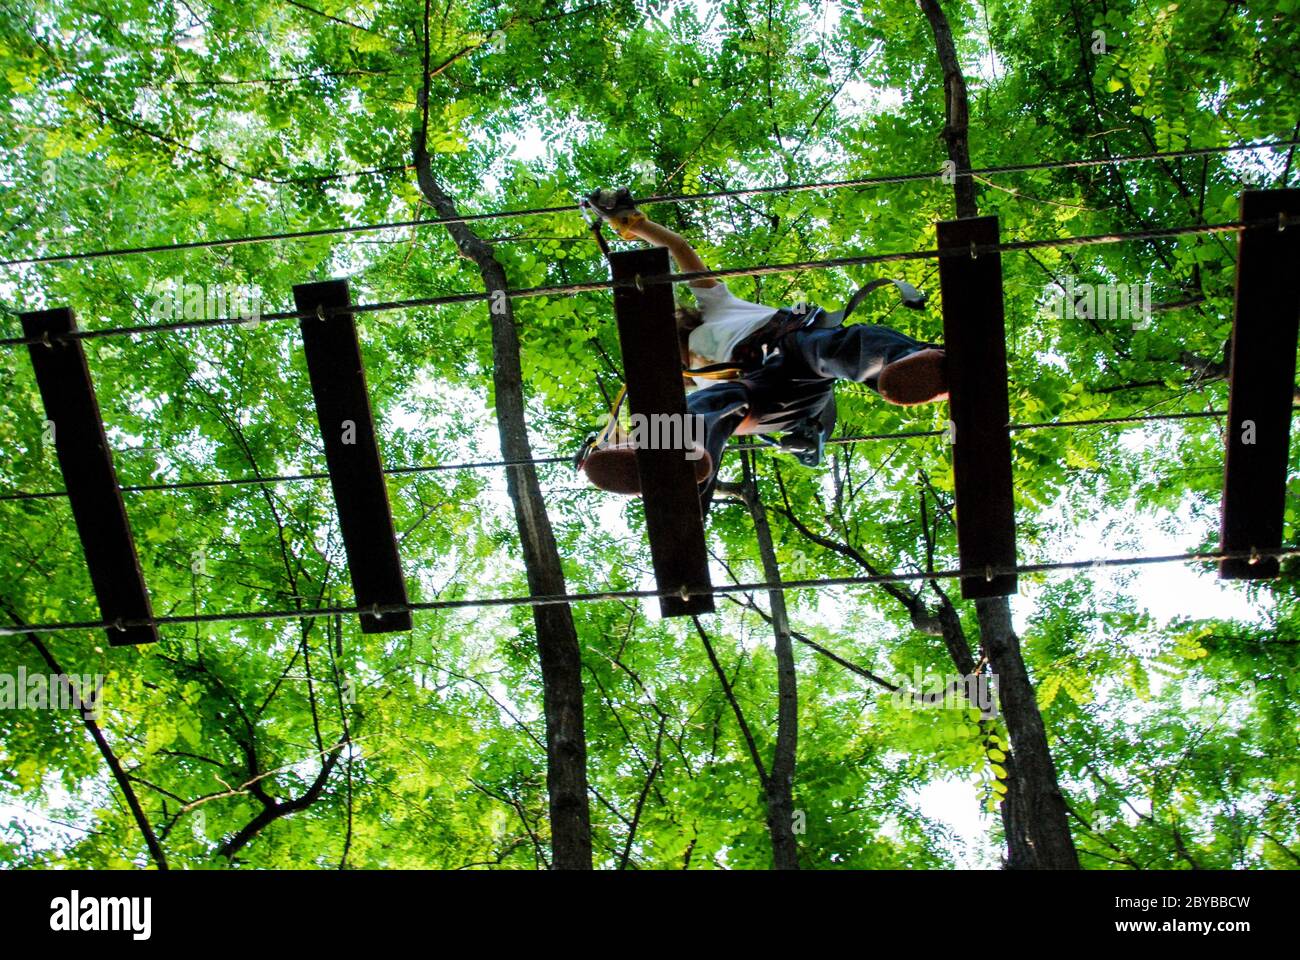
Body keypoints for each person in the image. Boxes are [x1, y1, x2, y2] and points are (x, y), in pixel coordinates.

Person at [581, 188, 949, 516]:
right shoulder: (684, 385)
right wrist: (613, 450)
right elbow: (660, 414)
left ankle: (917, 366)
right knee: (708, 405)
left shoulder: (714, 305)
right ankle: (674, 458)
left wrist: (628, 221)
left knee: (830, 345)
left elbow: (679, 249)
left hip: (791, 351)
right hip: (770, 404)